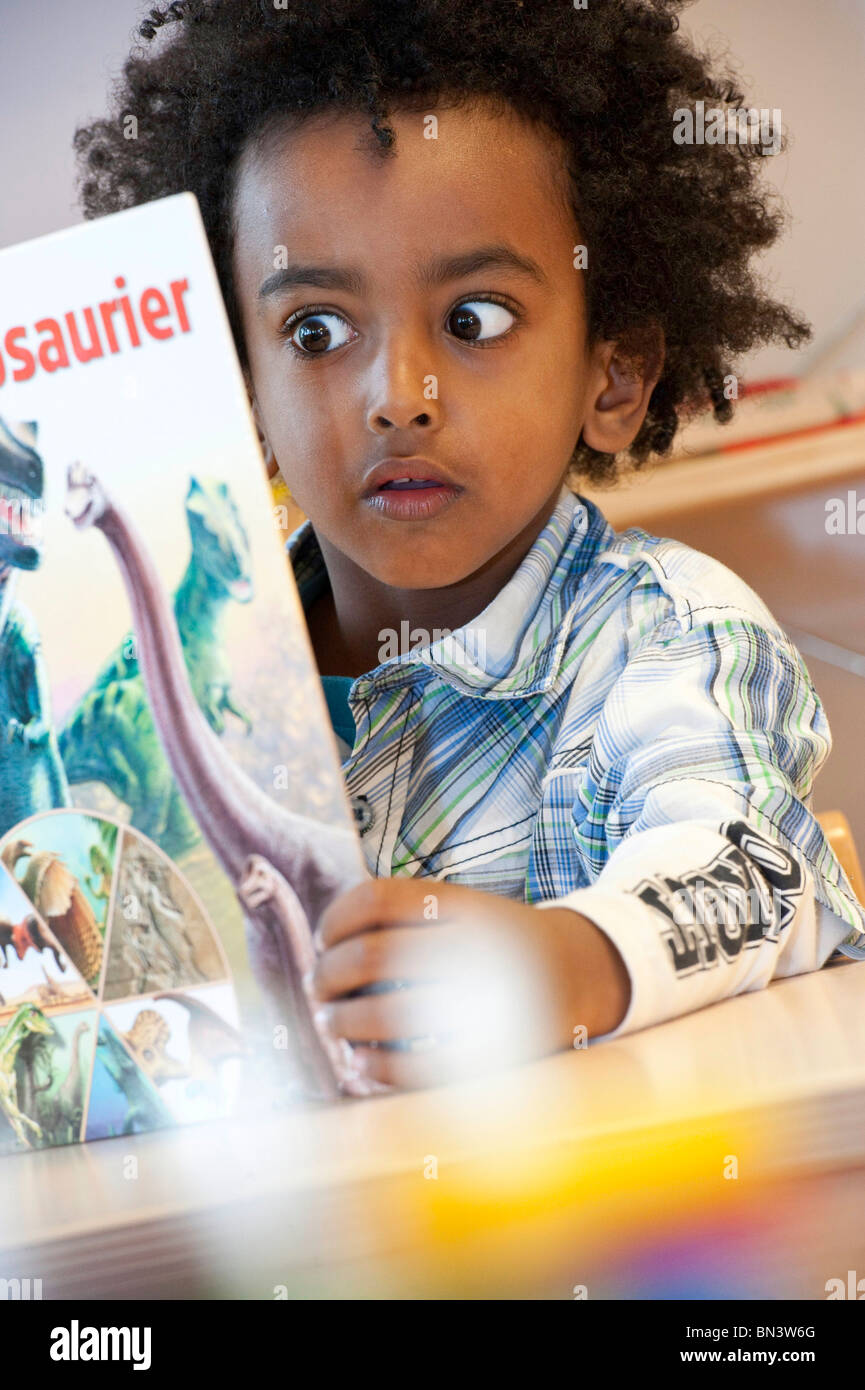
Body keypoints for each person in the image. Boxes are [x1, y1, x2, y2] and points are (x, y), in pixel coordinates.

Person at [75, 0, 865, 1090]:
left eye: (475, 320)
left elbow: (749, 871)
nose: (399, 396)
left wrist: (565, 966)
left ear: (613, 375)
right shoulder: (157, 685)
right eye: (315, 330)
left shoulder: (668, 639)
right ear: (240, 386)